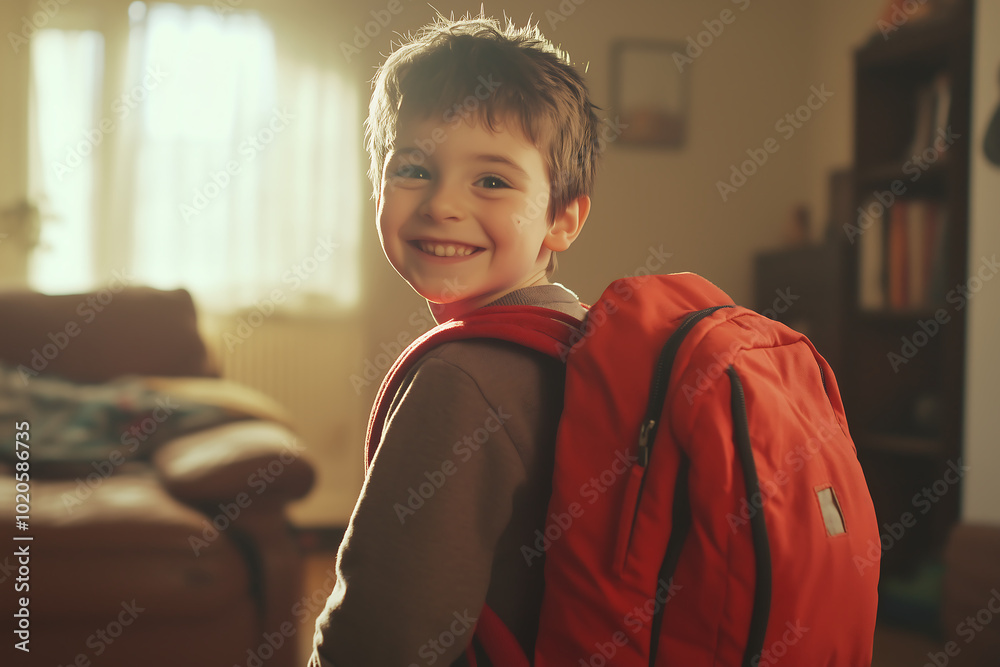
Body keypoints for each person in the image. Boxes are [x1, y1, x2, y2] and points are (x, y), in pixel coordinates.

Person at [309, 13, 602, 666]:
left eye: (492, 180)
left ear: (561, 218)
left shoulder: (460, 381)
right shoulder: (579, 337)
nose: (443, 204)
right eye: (413, 169)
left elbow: (381, 636)